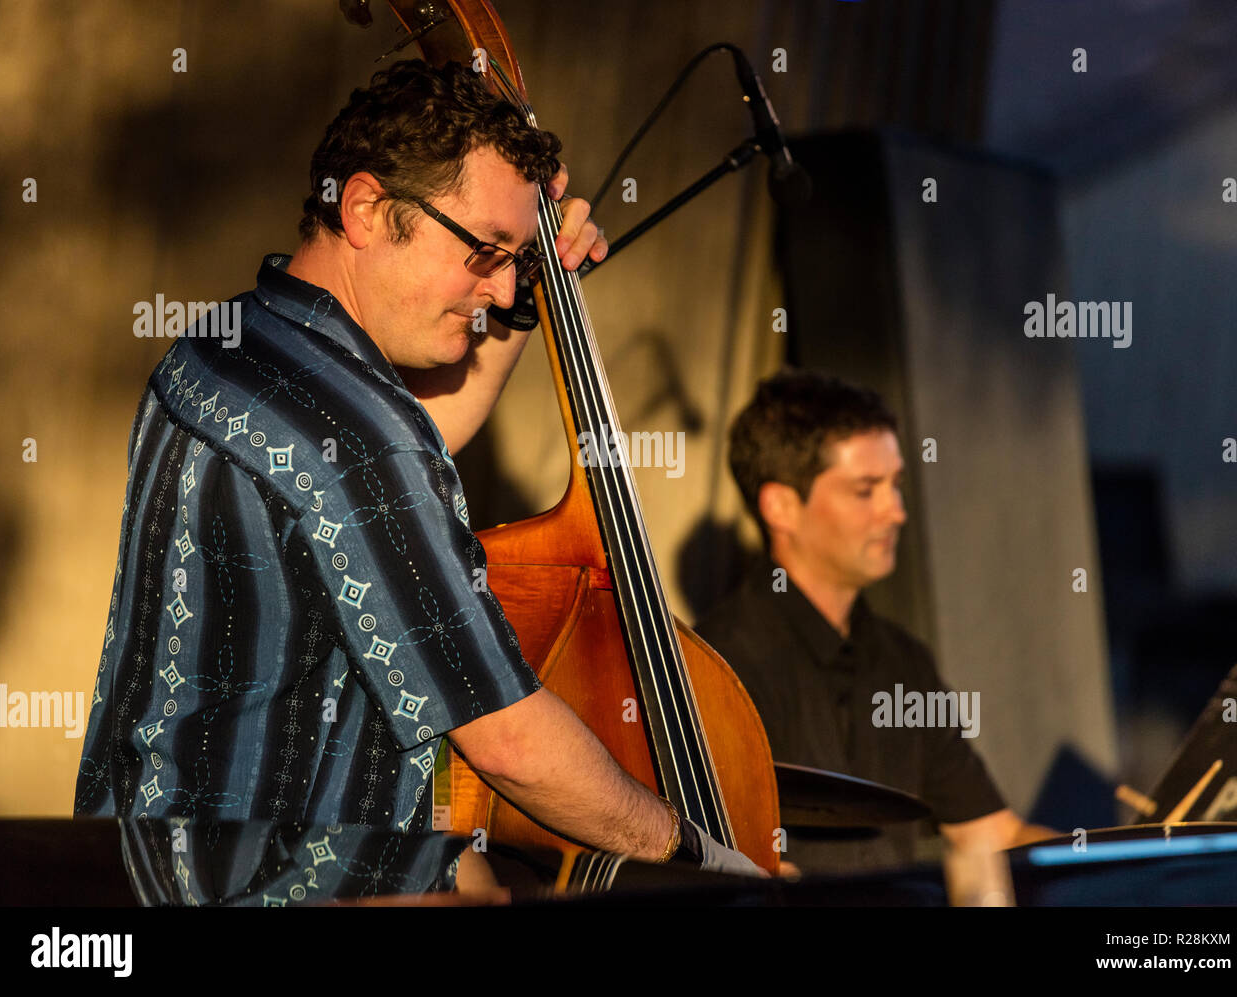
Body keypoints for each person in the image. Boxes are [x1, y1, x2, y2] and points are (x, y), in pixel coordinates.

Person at [75, 58, 756, 895]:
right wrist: (704, 857)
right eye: (485, 251)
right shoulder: (364, 438)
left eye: (518, 259)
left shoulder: (226, 343)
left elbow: (384, 472)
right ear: (366, 208)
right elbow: (506, 737)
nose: (499, 288)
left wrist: (531, 298)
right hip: (272, 882)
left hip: (136, 861)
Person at [695, 369, 1055, 874]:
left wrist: (1125, 861)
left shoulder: (904, 660)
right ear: (781, 507)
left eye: (896, 485)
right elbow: (728, 868)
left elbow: (992, 835)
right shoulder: (717, 667)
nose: (896, 512)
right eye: (866, 490)